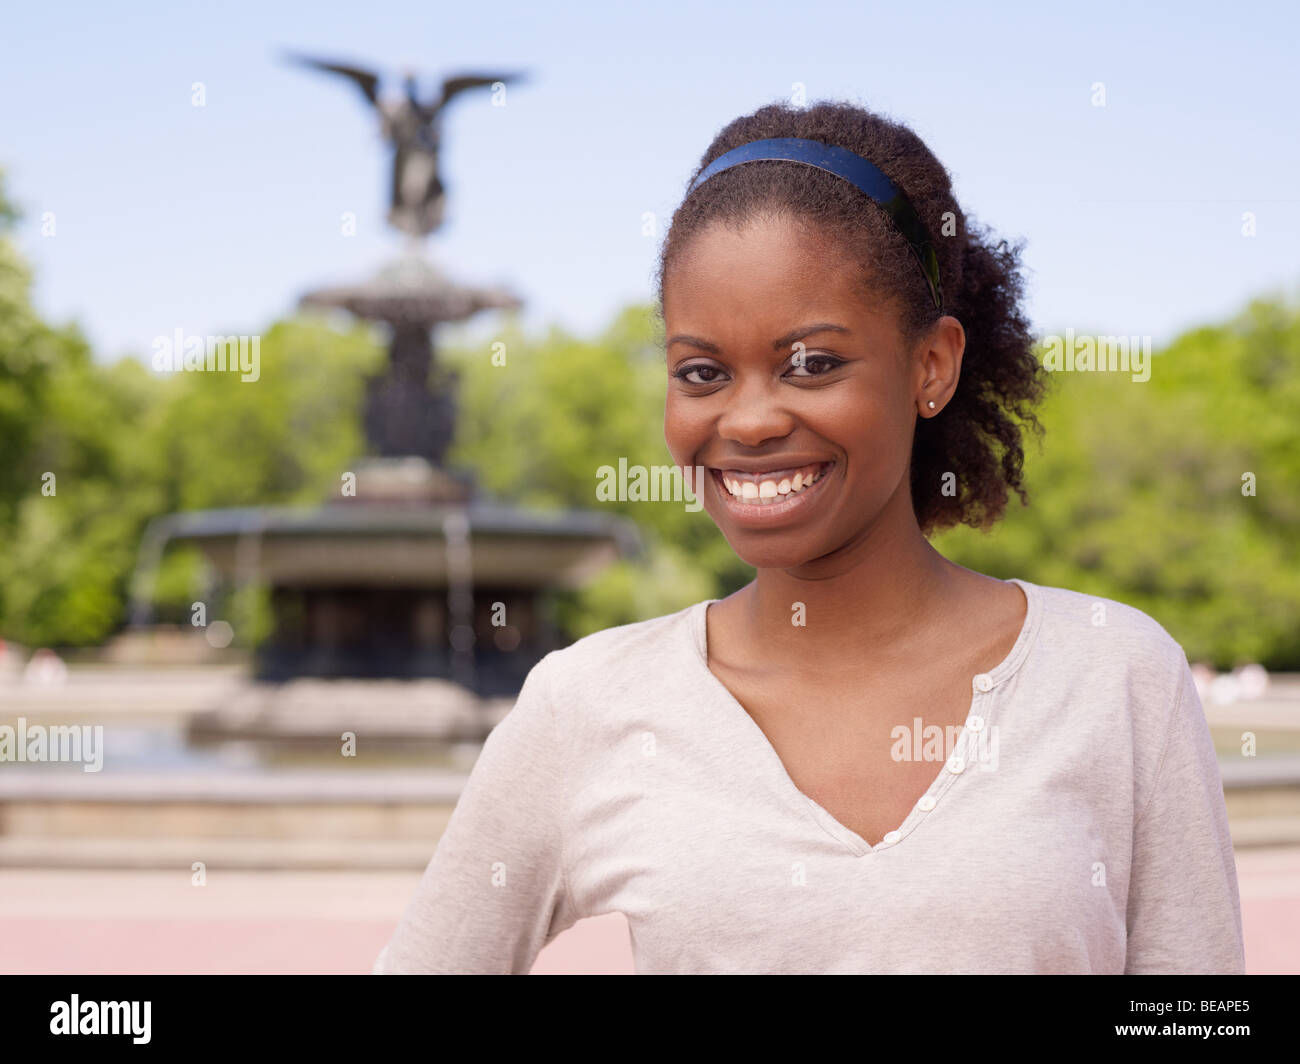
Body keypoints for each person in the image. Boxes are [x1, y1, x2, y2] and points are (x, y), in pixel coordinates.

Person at [373, 100, 1245, 974]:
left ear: (931, 365)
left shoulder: (1114, 674)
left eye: (813, 364)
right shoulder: (588, 704)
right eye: (702, 373)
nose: (748, 420)